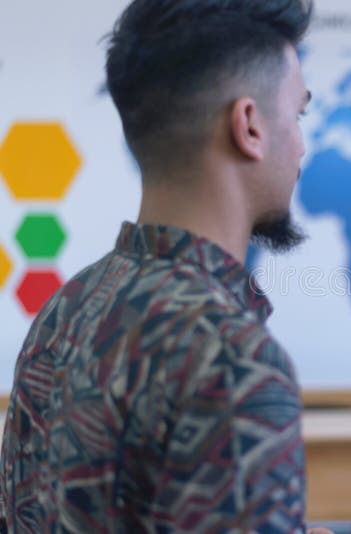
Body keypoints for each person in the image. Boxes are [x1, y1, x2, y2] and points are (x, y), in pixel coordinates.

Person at [0, 0, 330, 532]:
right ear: (249, 125)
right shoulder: (233, 361)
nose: (301, 146)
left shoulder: (65, 308)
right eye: (297, 115)